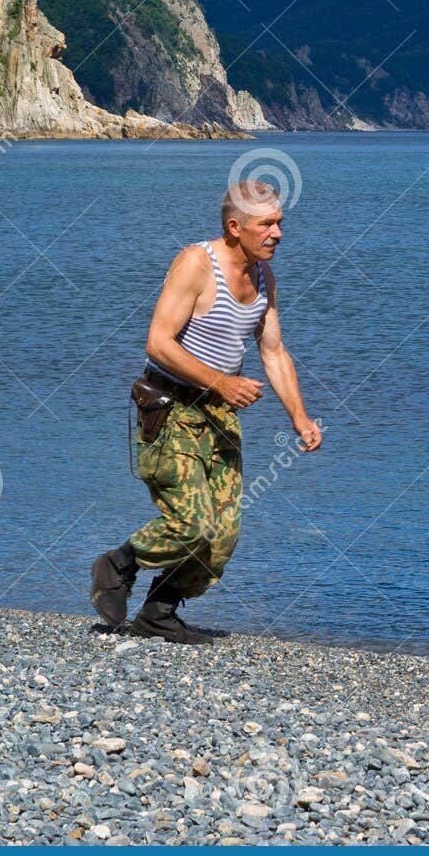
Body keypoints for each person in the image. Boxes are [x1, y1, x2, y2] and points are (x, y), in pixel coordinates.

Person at [90, 179, 323, 644]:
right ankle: (117, 564)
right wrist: (222, 381)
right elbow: (158, 342)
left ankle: (158, 612)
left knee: (222, 535)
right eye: (267, 224)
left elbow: (274, 352)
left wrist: (300, 418)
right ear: (235, 226)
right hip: (170, 408)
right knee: (191, 523)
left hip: (219, 416)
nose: (278, 232)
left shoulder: (262, 278)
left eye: (280, 222)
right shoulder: (197, 263)